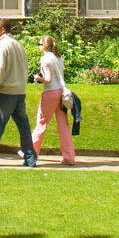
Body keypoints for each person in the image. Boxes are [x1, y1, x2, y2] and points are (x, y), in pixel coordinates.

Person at [0, 19, 36, 167]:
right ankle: (30, 158)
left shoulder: (2, 45)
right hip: (20, 91)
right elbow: (25, 68)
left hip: (6, 91)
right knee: (23, 126)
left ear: (3, 29)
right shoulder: (19, 45)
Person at [31, 35, 75, 165]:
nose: (39, 46)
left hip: (50, 92)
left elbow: (48, 79)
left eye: (40, 44)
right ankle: (69, 157)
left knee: (41, 122)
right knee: (63, 125)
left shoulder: (45, 59)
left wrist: (39, 79)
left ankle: (30, 152)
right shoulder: (58, 57)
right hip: (61, 93)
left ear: (45, 46)